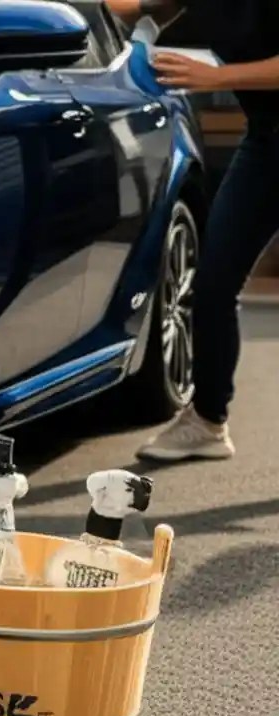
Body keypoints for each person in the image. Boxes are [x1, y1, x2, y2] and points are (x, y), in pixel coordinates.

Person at [105, 0, 279, 462]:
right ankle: (207, 421)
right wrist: (139, 19)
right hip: (268, 141)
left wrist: (218, 78)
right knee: (214, 281)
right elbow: (131, 8)